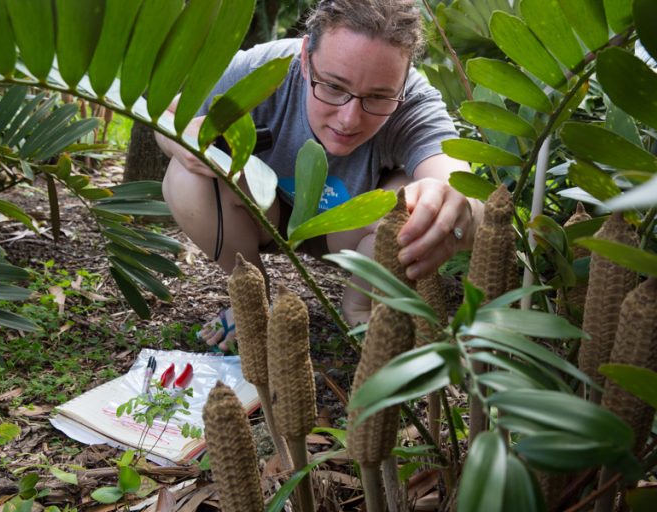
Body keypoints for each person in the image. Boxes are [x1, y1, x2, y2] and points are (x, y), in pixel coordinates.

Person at [157, 0, 483, 351]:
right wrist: (186, 142)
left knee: (416, 202)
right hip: (262, 215)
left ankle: (361, 305)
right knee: (185, 176)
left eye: (378, 97)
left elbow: (459, 187)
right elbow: (167, 120)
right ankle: (249, 302)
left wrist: (453, 209)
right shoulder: (264, 71)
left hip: (351, 232)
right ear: (304, 59)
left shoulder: (414, 103)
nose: (349, 119)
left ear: (402, 81)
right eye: (333, 87)